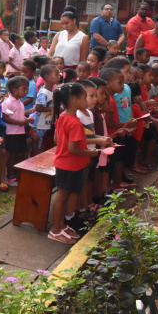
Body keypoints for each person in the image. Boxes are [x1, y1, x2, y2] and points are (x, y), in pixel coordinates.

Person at [48, 83, 108, 245]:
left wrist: (97, 142)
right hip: (68, 164)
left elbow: (60, 140)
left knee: (65, 195)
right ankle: (55, 230)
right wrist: (92, 153)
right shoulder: (74, 122)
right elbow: (73, 148)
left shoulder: (64, 117)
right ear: (74, 100)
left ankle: (61, 226)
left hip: (70, 164)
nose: (87, 101)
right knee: (62, 196)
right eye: (83, 97)